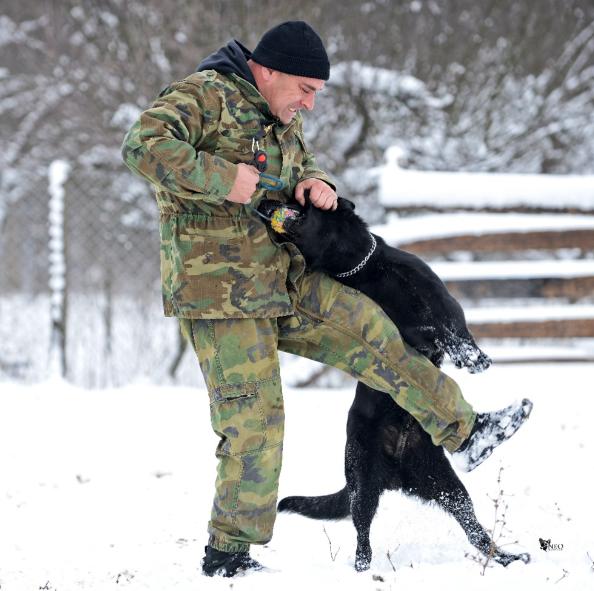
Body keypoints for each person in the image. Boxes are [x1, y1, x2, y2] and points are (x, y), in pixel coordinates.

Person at [121, 20, 532, 578]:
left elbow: (299, 166)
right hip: (222, 297)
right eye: (306, 89)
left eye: (317, 92)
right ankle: (229, 556)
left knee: (375, 332)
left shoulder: (279, 116)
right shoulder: (204, 95)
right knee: (256, 420)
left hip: (285, 279)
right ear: (268, 71)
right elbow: (141, 146)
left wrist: (320, 184)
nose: (310, 104)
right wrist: (221, 177)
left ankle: (465, 431)